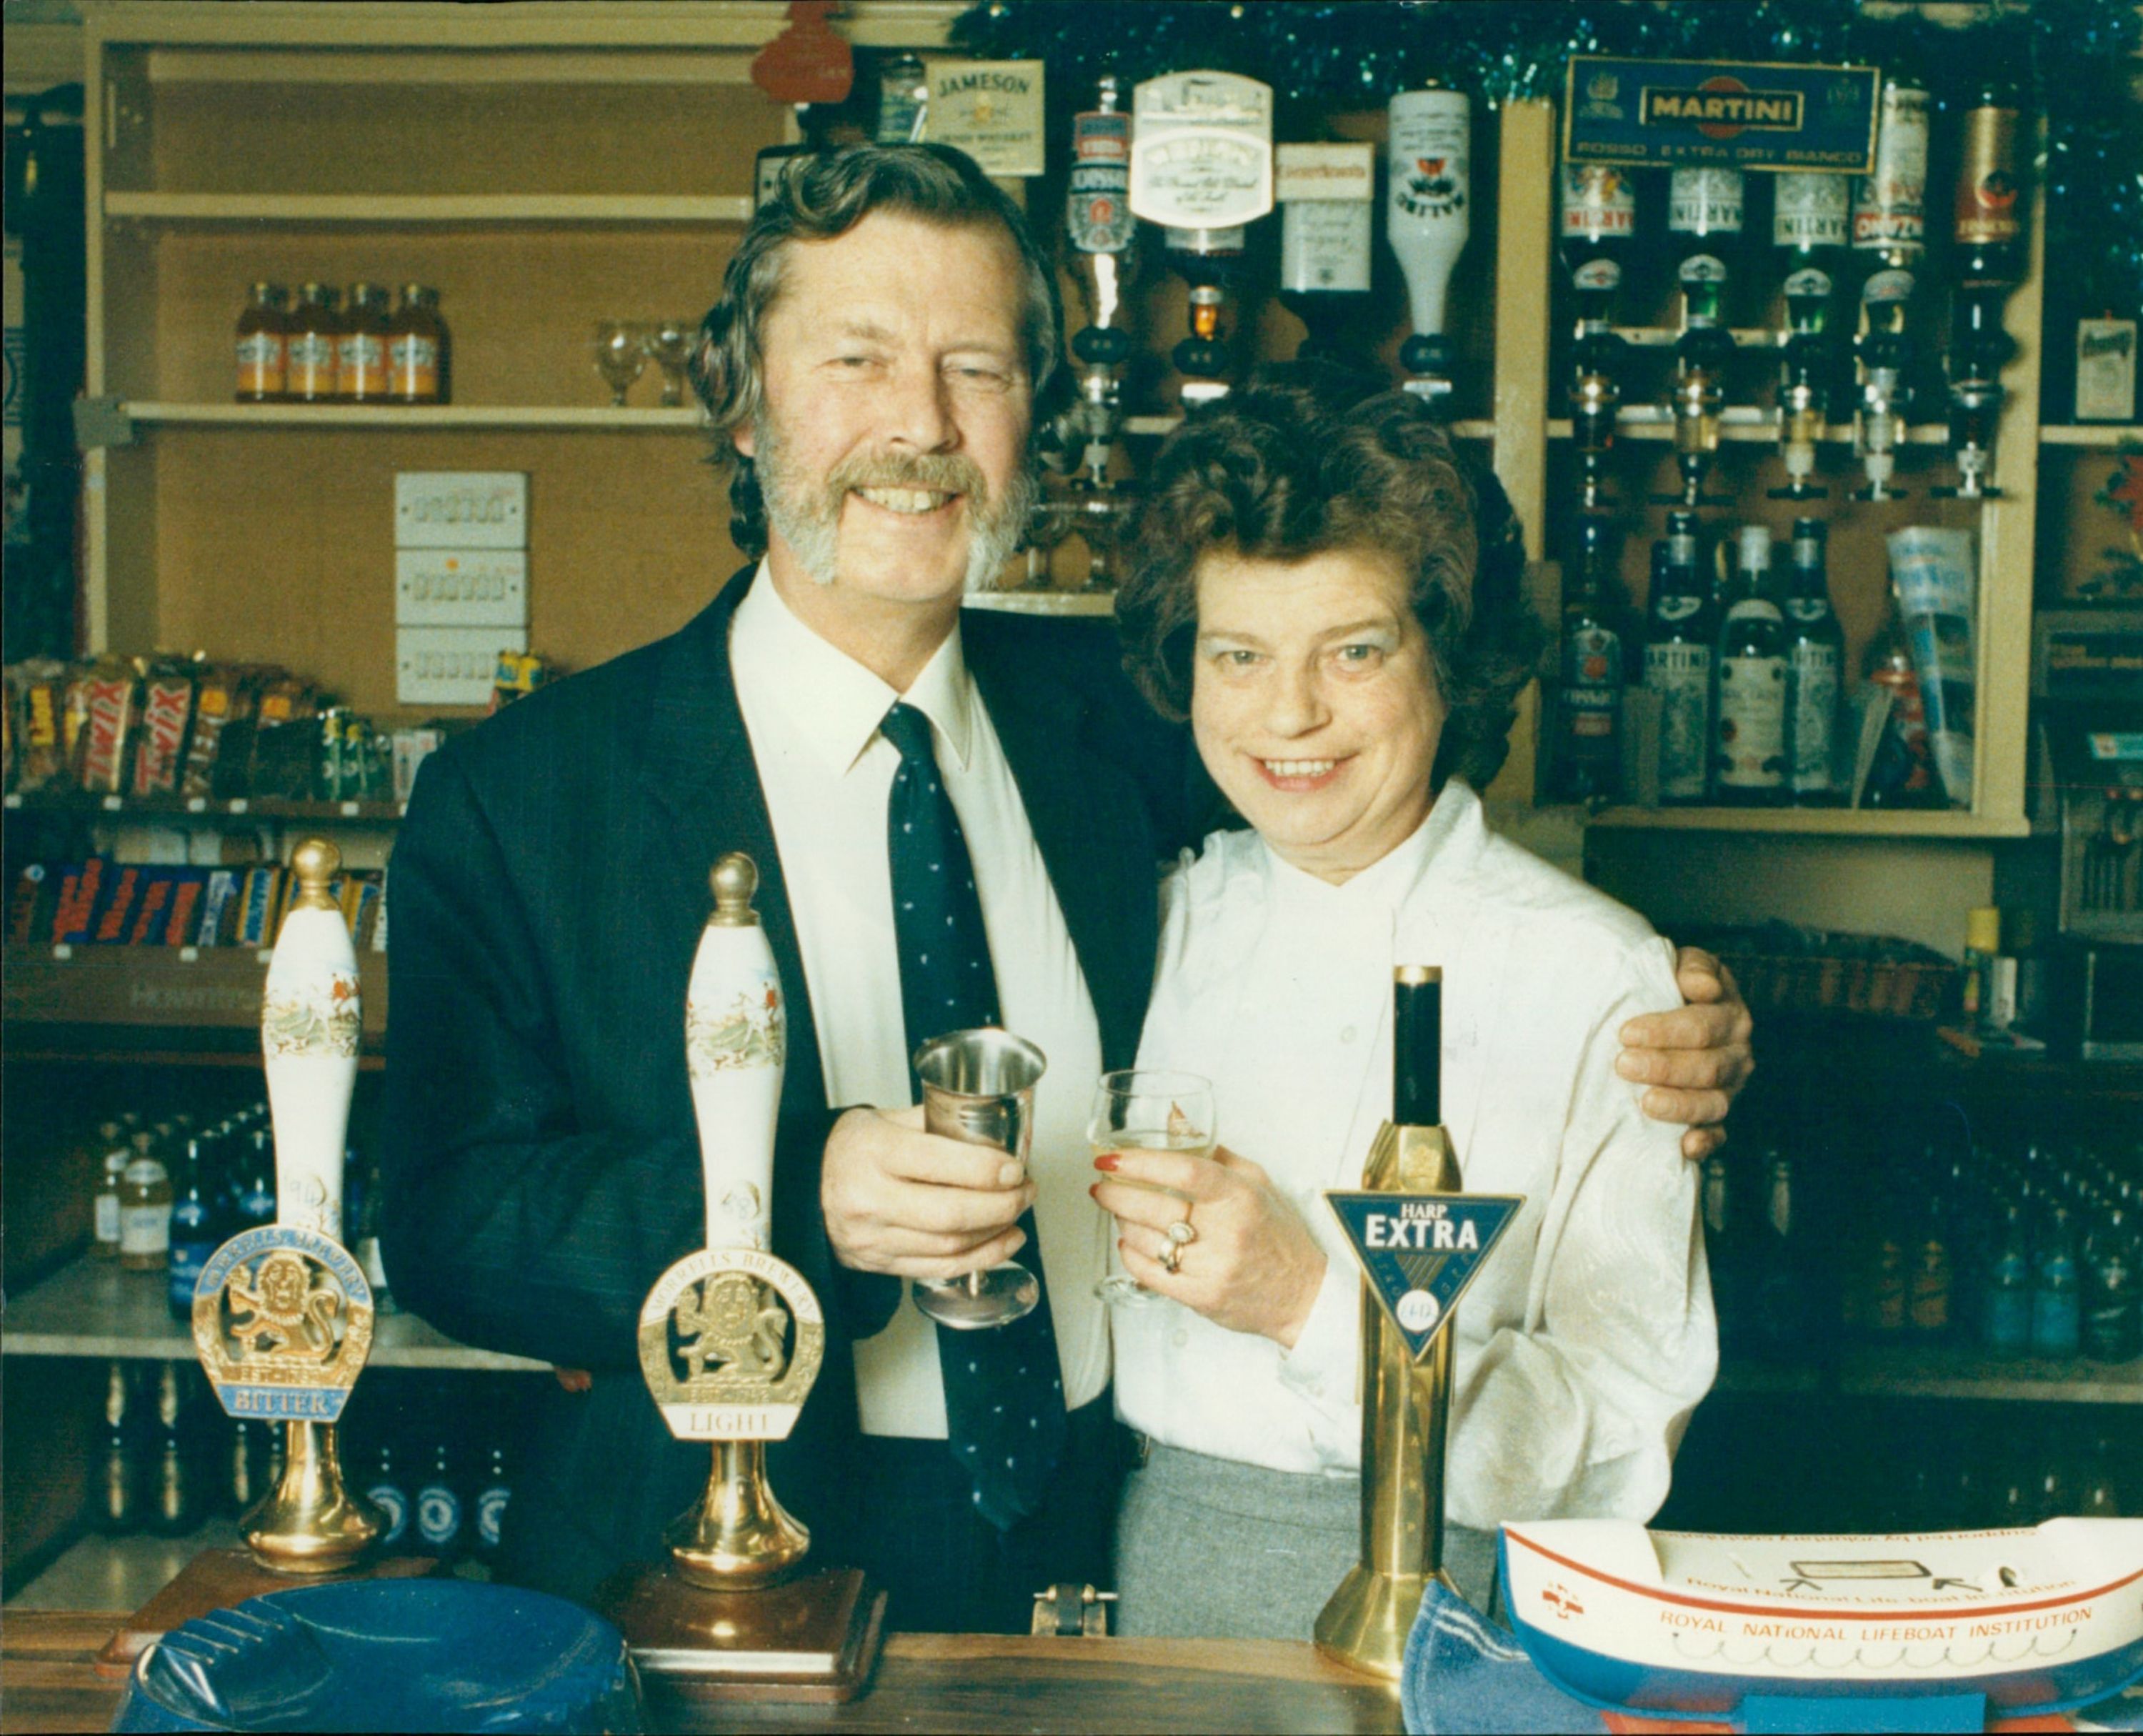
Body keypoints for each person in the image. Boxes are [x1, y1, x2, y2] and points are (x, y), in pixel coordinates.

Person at [380, 144, 1750, 1636]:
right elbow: (448, 1220)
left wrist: (1666, 1004)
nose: (919, 425)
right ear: (744, 394)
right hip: (698, 1564)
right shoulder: (524, 795)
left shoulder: (1136, 716)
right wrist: (788, 1199)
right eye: (857, 359)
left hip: (1106, 1549)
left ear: (1035, 411)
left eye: (976, 367)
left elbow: (1379, 833)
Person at [1096, 376, 1719, 1637]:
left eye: (1355, 650)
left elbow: (1619, 1438)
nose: (1291, 714)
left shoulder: (1603, 980)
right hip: (1162, 1567)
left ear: (1455, 662)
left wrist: (1306, 1302)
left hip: (1475, 1599)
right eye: (1240, 655)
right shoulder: (1144, 921)